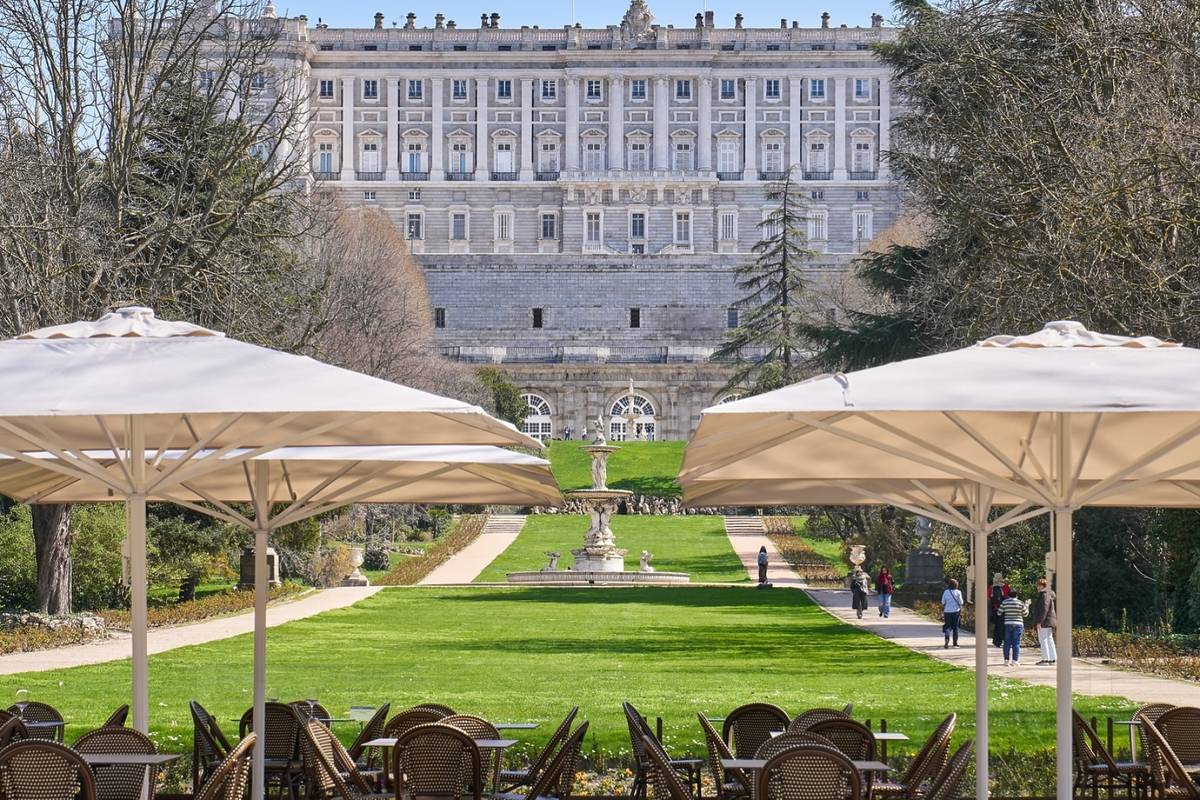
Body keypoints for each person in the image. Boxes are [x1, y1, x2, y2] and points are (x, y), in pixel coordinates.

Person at [1000, 588, 1030, 666]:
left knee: (1007, 643)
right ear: (1017, 595)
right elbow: (1025, 614)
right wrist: (1027, 605)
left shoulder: (1005, 602)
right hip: (1018, 624)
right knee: (1016, 643)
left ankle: (1006, 660)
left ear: (1008, 594)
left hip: (1007, 624)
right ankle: (1015, 660)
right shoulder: (1020, 603)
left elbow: (999, 612)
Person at [1034, 577, 1058, 665]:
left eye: (1038, 585)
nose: (1037, 587)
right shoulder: (1048, 594)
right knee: (1049, 639)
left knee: (1043, 639)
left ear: (1042, 586)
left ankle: (1045, 659)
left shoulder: (1044, 595)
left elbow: (1044, 609)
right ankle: (1052, 658)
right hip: (1049, 621)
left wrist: (1039, 622)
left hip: (1045, 621)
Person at [941, 578, 964, 648]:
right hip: (955, 612)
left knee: (948, 626)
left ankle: (947, 639)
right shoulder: (958, 592)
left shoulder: (946, 592)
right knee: (955, 628)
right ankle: (955, 643)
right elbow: (961, 602)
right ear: (956, 585)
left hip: (947, 612)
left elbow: (943, 602)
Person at [989, 573, 1010, 648]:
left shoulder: (991, 588)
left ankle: (996, 641)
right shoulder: (1006, 587)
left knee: (997, 625)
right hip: (1004, 609)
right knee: (1002, 625)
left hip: (994, 610)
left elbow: (988, 598)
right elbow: (1008, 597)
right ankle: (1003, 640)